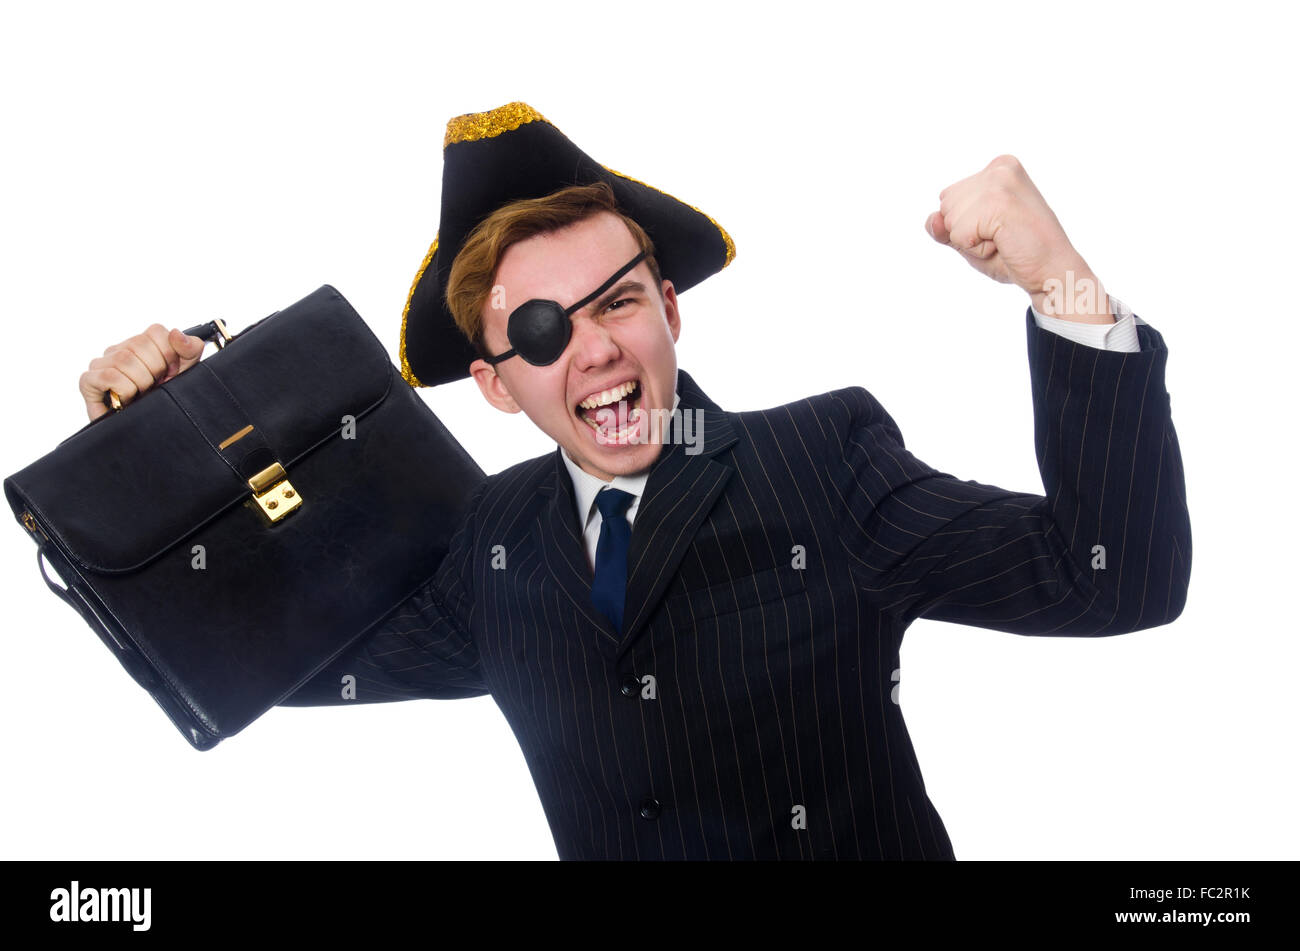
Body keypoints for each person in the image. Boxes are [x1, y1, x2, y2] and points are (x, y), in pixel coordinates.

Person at [77, 102, 1191, 860]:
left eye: (617, 302)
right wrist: (170, 450)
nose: (598, 350)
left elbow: (1110, 580)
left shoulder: (825, 464)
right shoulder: (492, 546)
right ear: (499, 387)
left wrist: (1062, 287)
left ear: (668, 310)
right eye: (549, 330)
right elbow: (269, 663)